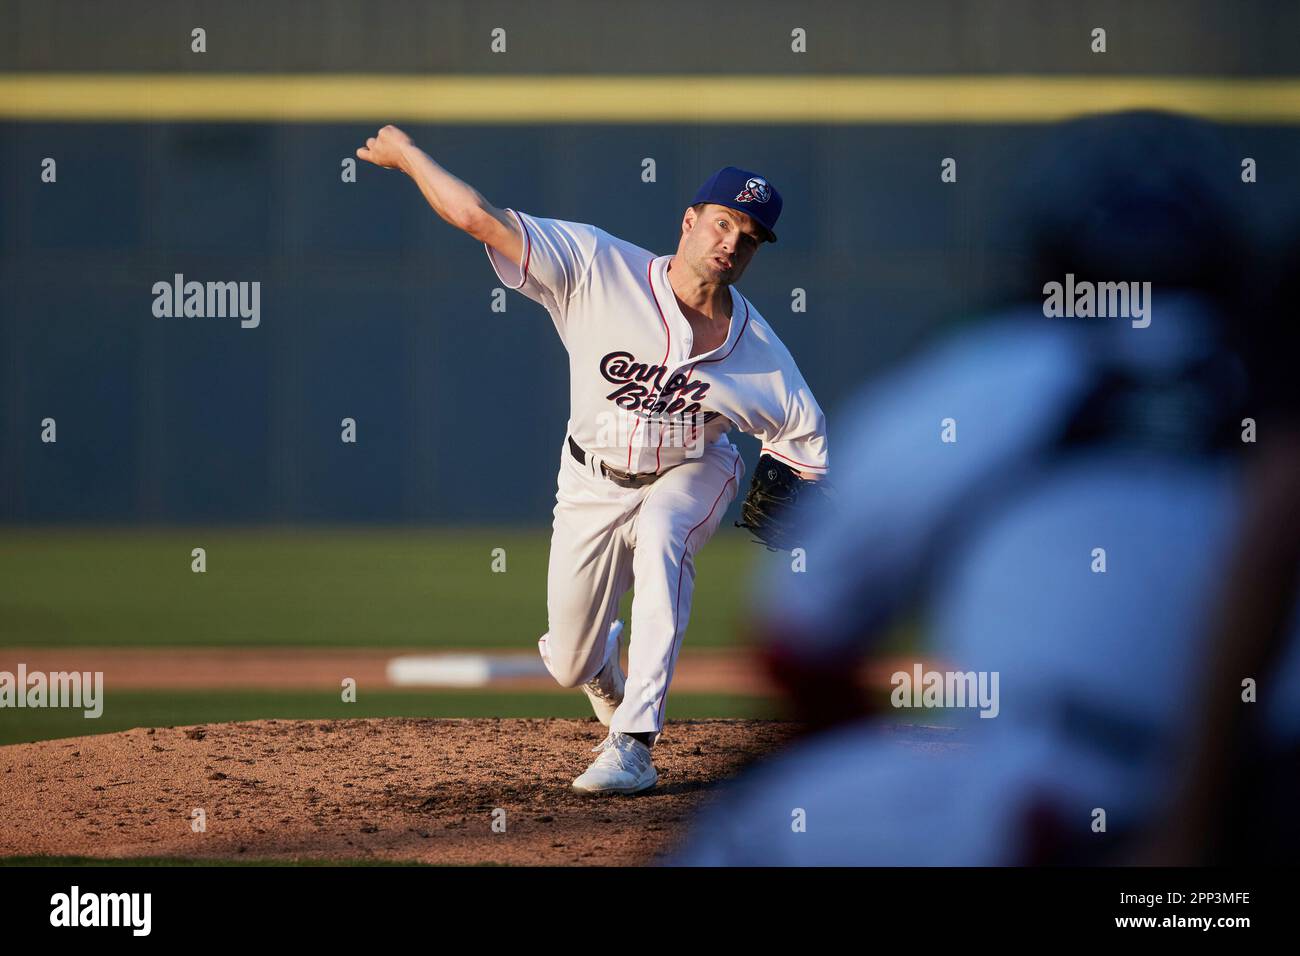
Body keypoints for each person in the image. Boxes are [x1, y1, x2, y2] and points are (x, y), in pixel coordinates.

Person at [673, 111, 1300, 863]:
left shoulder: (1011, 368)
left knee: (746, 830)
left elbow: (800, 638)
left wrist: (875, 764)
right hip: (1268, 791)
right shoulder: (1271, 386)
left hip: (1058, 787)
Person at [357, 125, 828, 795]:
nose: (732, 242)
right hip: (590, 477)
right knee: (568, 661)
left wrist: (813, 517)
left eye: (750, 237)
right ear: (689, 220)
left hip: (694, 468)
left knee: (666, 537)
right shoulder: (595, 265)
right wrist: (407, 156)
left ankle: (634, 744)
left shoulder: (762, 357)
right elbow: (475, 218)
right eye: (724, 222)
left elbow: (809, 452)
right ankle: (601, 665)